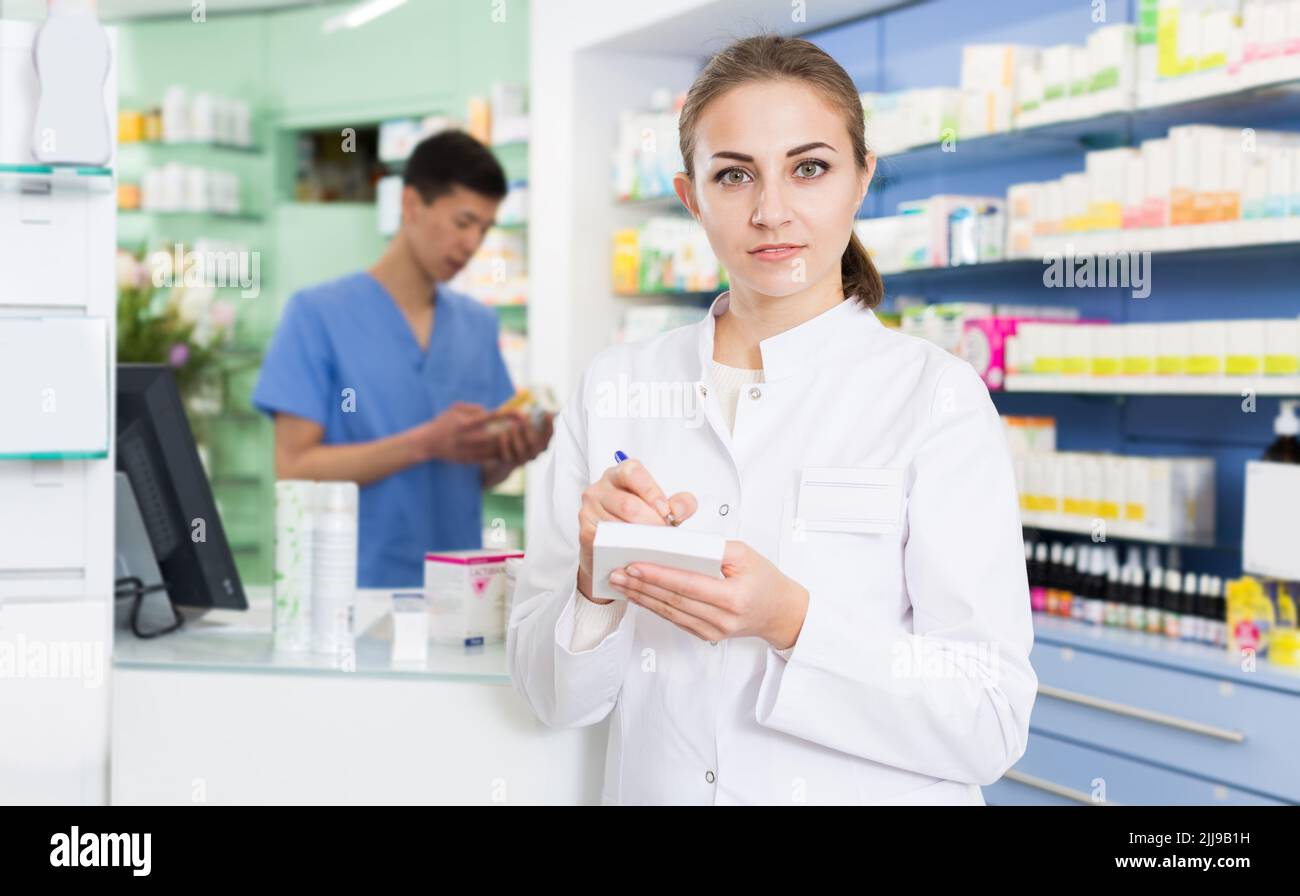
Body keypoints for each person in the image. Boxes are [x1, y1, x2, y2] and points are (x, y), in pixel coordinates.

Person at [507, 34, 1036, 805]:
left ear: (862, 181)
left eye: (810, 167)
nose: (772, 211)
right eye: (734, 176)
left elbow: (988, 721)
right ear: (692, 198)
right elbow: (553, 700)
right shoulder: (617, 387)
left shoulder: (935, 399)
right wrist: (594, 587)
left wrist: (792, 622)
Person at [253, 131, 553, 588]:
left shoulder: (476, 325)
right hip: (349, 593)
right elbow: (294, 469)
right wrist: (424, 443)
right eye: (463, 222)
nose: (473, 244)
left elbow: (478, 475)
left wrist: (513, 454)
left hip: (457, 595)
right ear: (411, 205)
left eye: (485, 229)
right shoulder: (316, 315)